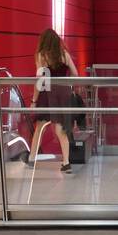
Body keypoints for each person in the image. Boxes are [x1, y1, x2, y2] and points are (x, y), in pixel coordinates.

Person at [29, 28, 81, 172]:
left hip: (47, 93)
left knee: (40, 127)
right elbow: (76, 74)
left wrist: (34, 101)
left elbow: (40, 80)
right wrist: (67, 87)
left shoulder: (41, 56)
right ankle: (66, 162)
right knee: (61, 129)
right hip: (64, 93)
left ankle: (31, 159)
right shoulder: (65, 55)